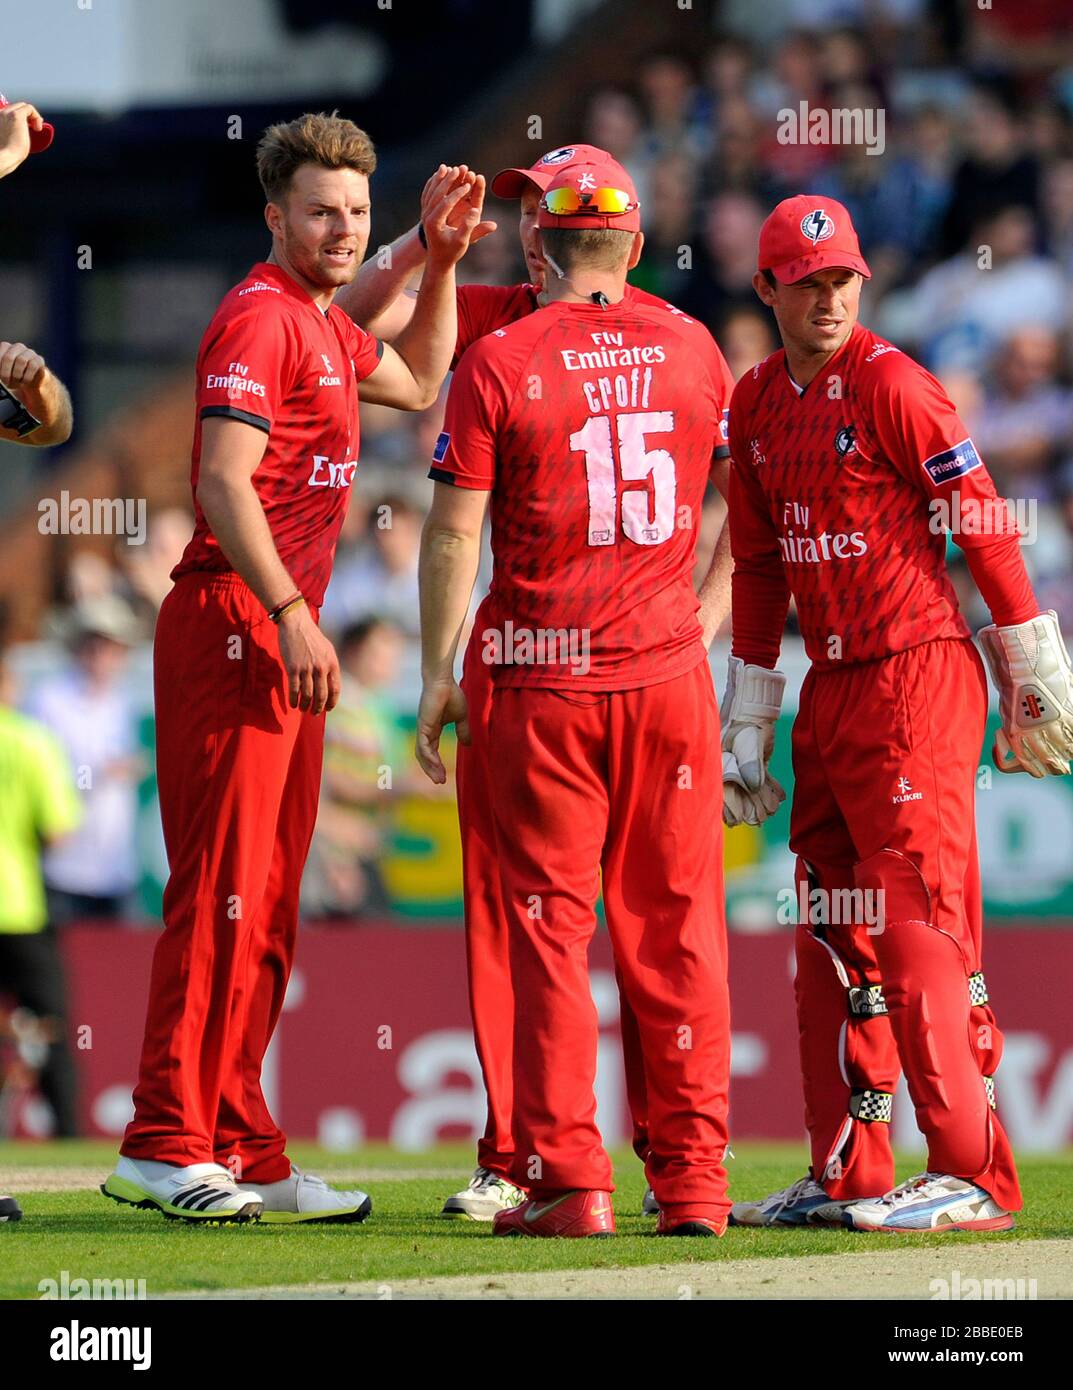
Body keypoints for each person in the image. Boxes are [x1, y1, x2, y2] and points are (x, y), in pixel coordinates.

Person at [339, 144, 736, 1221]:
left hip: (538, 682)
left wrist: (432, 671)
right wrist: (699, 624)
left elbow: (450, 532)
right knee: (677, 931)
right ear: (637, 246)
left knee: (546, 934)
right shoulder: (696, 347)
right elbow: (740, 507)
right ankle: (693, 1182)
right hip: (665, 681)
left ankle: (568, 1179)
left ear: (534, 239)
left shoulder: (503, 358)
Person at [103, 113, 483, 1224]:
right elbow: (222, 479)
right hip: (238, 615)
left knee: (265, 903)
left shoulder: (319, 319)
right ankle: (163, 1142)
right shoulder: (259, 317)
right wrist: (286, 612)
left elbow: (418, 380)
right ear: (275, 217)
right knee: (217, 893)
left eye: (357, 213)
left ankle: (240, 1141)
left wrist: (437, 257)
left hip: (282, 628)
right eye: (321, 210)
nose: (340, 227)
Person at [722, 194, 1073, 1232]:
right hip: (827, 688)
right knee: (831, 929)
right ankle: (850, 1167)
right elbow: (752, 566)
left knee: (916, 924)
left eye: (843, 283)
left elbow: (982, 526)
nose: (828, 300)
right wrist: (748, 710)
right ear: (767, 288)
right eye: (807, 283)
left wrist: (1031, 668)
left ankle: (970, 1173)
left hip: (915, 672)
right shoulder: (749, 404)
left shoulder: (891, 383)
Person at [0, 649, 83, 1142]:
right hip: (18, 905)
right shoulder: (31, 741)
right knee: (51, 1028)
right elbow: (58, 830)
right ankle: (68, 1136)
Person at [25, 597, 143, 923]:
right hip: (64, 867)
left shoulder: (124, 702)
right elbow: (37, 780)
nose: (102, 656)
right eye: (95, 645)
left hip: (116, 867)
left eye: (112, 647)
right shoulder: (49, 700)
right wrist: (96, 775)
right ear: (78, 647)